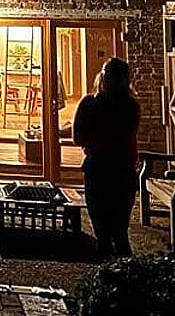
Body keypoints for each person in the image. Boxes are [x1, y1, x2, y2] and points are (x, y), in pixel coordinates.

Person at [72, 57, 140, 257]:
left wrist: (93, 143)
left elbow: (77, 137)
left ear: (103, 77)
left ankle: (104, 278)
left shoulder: (89, 103)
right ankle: (127, 278)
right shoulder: (131, 107)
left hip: (97, 168)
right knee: (120, 232)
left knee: (102, 232)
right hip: (123, 169)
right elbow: (126, 136)